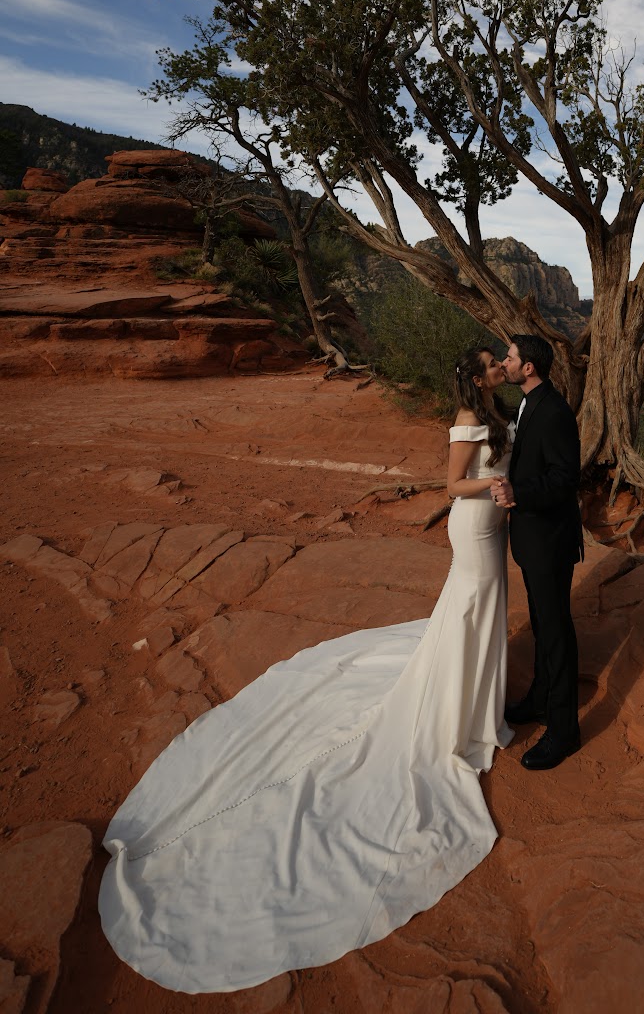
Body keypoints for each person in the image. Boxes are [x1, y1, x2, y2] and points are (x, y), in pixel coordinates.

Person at [98, 347, 515, 993]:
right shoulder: (467, 413)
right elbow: (450, 484)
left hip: (491, 526)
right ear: (475, 373)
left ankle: (471, 703)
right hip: (473, 524)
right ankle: (457, 710)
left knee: (479, 611)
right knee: (466, 608)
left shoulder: (494, 409)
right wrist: (491, 485)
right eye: (492, 362)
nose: (498, 368)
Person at [491, 333, 583, 770]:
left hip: (549, 541)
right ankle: (541, 699)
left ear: (528, 367)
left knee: (556, 631)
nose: (505, 363)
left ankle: (564, 731)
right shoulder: (530, 404)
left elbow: (565, 478)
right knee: (545, 626)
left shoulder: (556, 412)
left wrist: (518, 491)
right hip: (533, 540)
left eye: (509, 358)